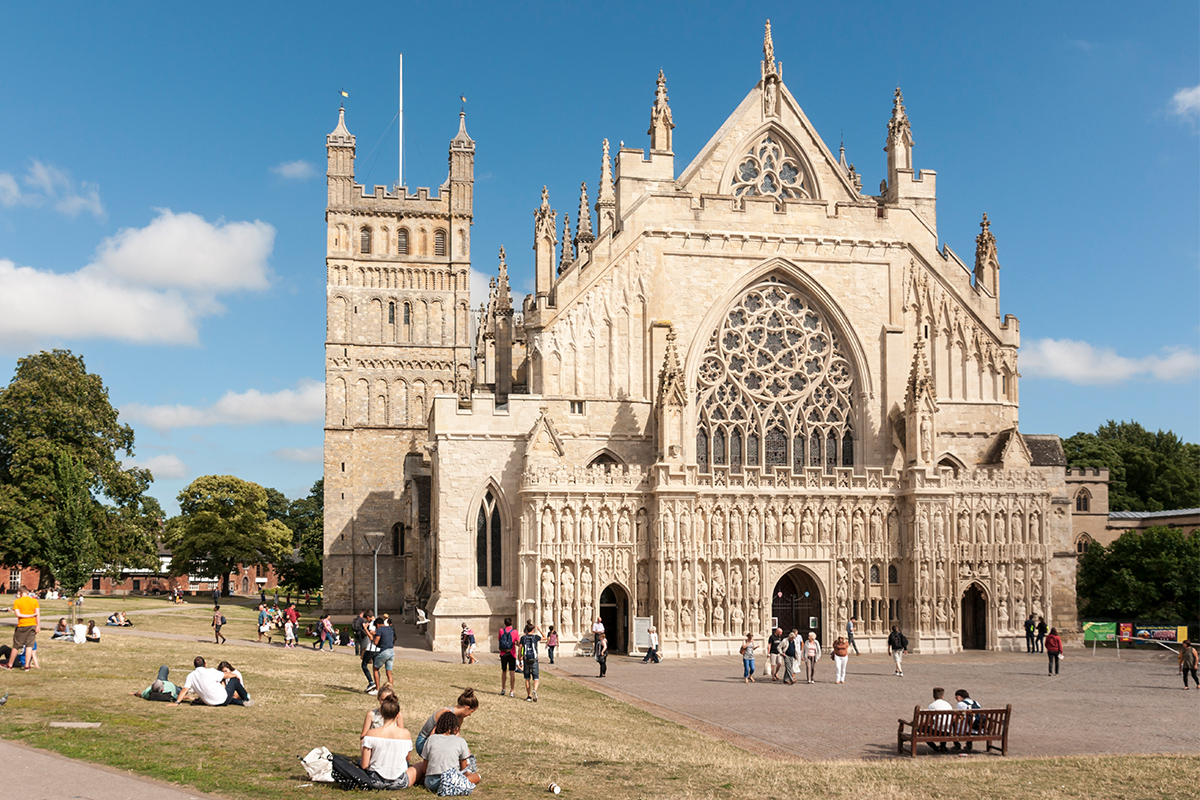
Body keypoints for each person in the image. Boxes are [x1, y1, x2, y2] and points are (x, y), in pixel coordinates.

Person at [333, 694, 426, 791]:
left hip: (374, 780)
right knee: (420, 765)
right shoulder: (406, 734)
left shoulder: (371, 733)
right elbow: (408, 758)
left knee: (361, 761)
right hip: (399, 782)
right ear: (398, 715)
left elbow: (364, 765)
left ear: (381, 713)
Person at [421, 711, 481, 794]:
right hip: (451, 781)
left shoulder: (431, 739)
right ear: (456, 727)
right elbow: (463, 769)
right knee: (477, 777)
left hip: (430, 783)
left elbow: (424, 769)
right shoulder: (460, 741)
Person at [414, 688, 479, 757]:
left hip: (439, 742)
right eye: (471, 712)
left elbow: (455, 736)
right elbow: (433, 736)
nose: (469, 715)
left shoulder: (460, 718)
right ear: (467, 708)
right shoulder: (446, 713)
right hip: (425, 742)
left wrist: (465, 750)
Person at [174, 656, 252, 707]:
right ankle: (246, 698)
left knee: (227, 697)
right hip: (222, 699)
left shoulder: (190, 676)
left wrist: (177, 702)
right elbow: (225, 675)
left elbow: (184, 689)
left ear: (194, 666)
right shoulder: (210, 671)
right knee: (234, 681)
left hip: (210, 702)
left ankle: (241, 702)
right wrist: (235, 676)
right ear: (205, 664)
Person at [6, 587, 39, 671]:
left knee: (16, 646)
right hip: (32, 624)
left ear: (19, 592)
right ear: (27, 592)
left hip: (22, 625)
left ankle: (10, 665)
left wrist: (29, 616)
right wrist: (38, 625)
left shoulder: (17, 601)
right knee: (29, 645)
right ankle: (27, 666)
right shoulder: (34, 601)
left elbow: (18, 614)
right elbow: (37, 614)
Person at [520, 621, 543, 701]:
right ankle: (534, 690)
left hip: (526, 660)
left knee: (527, 678)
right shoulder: (535, 637)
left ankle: (529, 696)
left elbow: (521, 648)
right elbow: (545, 638)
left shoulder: (523, 638)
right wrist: (539, 630)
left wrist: (520, 657)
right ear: (533, 630)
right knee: (536, 677)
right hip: (534, 660)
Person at [372, 615, 396, 691]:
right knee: (389, 673)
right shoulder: (390, 629)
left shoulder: (379, 630)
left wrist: (373, 636)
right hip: (391, 651)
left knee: (375, 669)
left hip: (384, 651)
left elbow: (376, 642)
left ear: (378, 624)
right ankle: (390, 690)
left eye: (376, 626)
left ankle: (377, 689)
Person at [926, 687, 954, 752]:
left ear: (933, 696)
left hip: (937, 731)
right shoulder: (948, 705)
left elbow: (928, 721)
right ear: (942, 696)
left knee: (922, 730)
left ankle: (935, 748)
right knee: (944, 728)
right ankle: (942, 746)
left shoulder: (931, 705)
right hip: (948, 730)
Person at [497, 617, 518, 697]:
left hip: (503, 653)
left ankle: (503, 688)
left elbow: (499, 639)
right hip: (512, 653)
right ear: (512, 622)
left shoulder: (501, 630)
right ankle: (512, 690)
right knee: (512, 672)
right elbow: (517, 641)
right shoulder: (515, 632)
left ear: (505, 623)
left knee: (504, 671)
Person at [358, 611, 378, 692]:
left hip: (371, 648)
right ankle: (377, 686)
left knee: (364, 665)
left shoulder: (372, 624)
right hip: (378, 648)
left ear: (369, 617)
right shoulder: (379, 622)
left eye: (367, 619)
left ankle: (371, 682)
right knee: (375, 668)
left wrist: (365, 629)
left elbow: (371, 637)